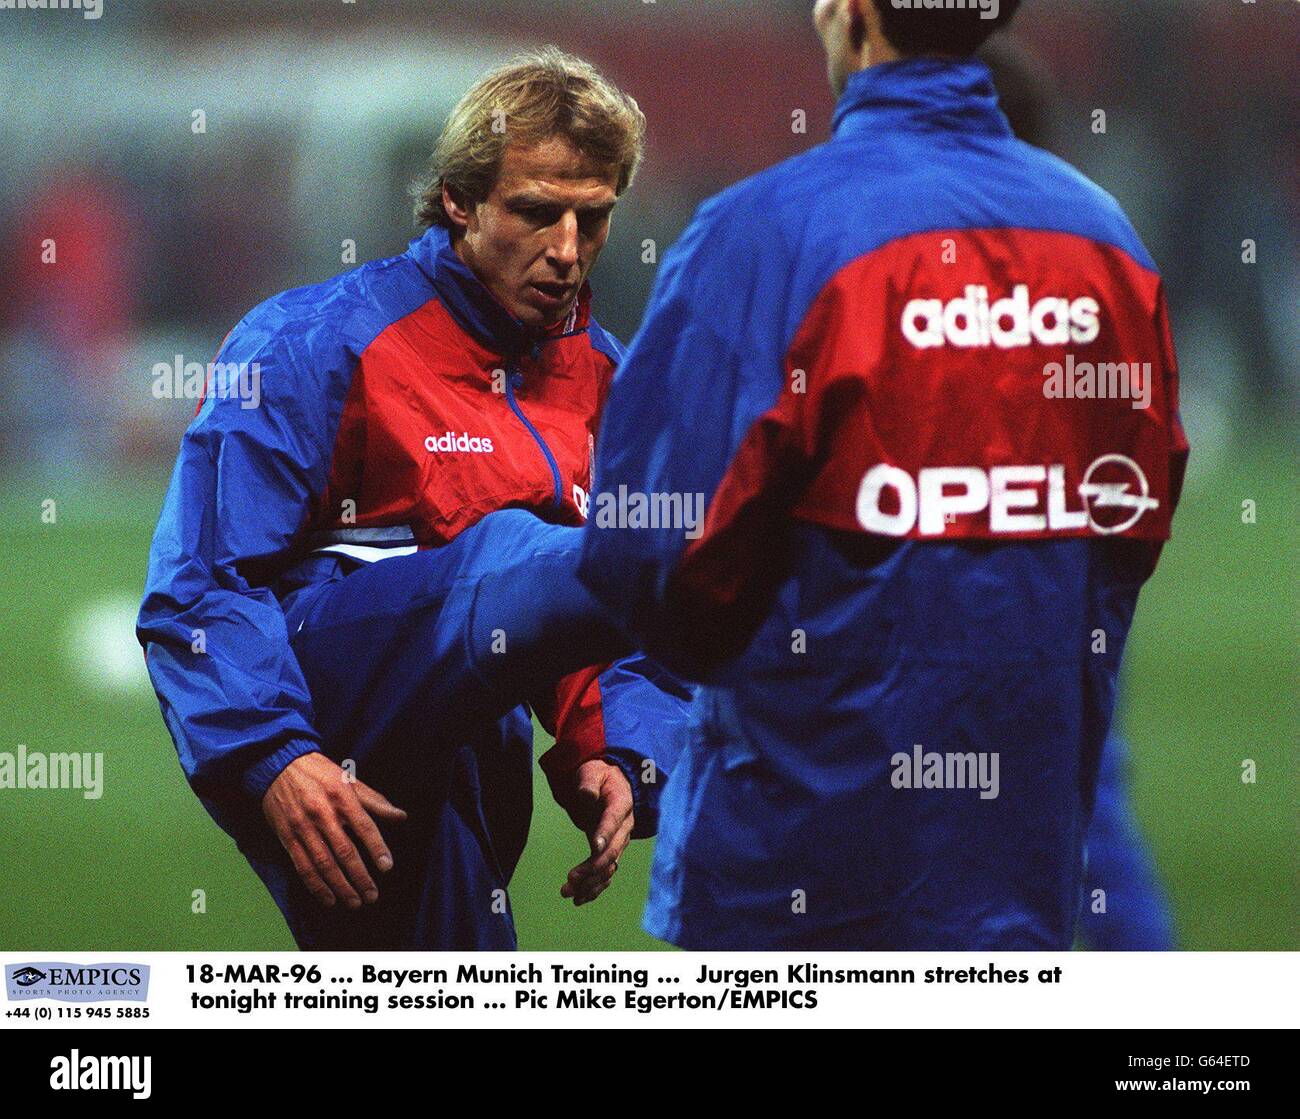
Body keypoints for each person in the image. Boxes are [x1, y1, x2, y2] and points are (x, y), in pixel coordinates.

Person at [578, 1, 1189, 949]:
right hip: (1015, 871)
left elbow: (650, 550)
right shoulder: (1105, 242)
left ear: (850, 11)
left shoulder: (764, 233)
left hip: (788, 869)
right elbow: (1132, 524)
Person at [138, 48, 690, 950]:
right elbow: (198, 586)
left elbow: (613, 637)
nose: (567, 251)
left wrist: (622, 748)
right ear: (459, 202)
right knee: (507, 553)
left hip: (470, 725)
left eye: (593, 220)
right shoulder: (314, 343)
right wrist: (273, 754)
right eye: (536, 212)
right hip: (315, 698)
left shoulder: (605, 378)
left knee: (451, 961)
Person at [980, 39, 1177, 950]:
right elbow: (1151, 447)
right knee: (1084, 810)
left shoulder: (913, 271)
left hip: (989, 589)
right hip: (1074, 581)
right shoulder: (1096, 250)